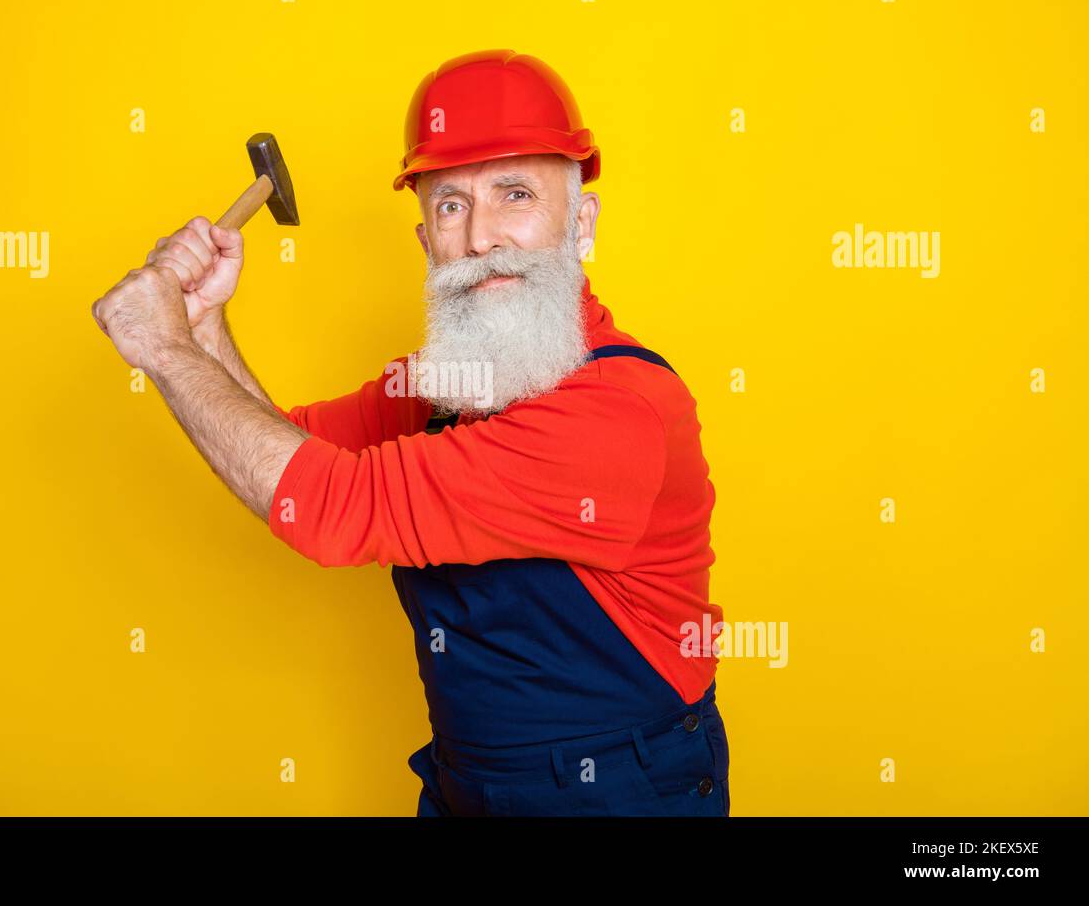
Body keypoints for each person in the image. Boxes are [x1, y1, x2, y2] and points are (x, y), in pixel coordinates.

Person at [91, 49, 729, 816]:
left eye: (516, 193)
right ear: (427, 242)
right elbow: (285, 454)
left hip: (620, 790)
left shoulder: (616, 411)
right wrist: (202, 328)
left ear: (581, 223)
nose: (481, 236)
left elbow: (324, 506)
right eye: (451, 204)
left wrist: (162, 351)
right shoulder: (446, 384)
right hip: (470, 781)